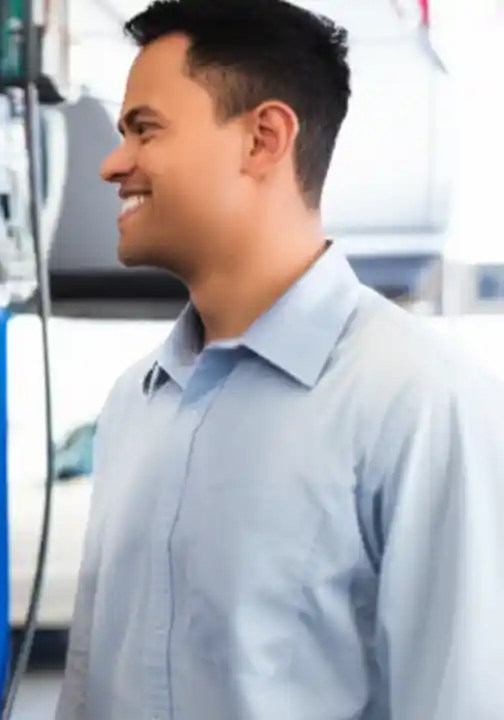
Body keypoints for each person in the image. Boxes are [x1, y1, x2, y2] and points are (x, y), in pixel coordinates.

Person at [55, 1, 504, 719]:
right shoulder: (137, 400)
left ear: (263, 139)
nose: (113, 164)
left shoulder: (420, 400)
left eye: (145, 129)